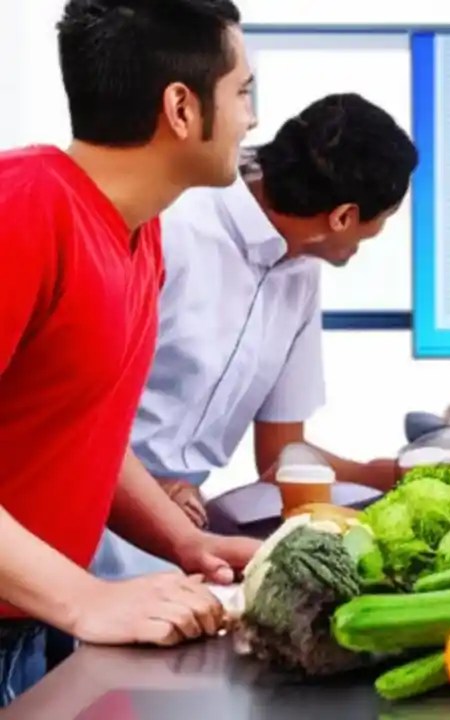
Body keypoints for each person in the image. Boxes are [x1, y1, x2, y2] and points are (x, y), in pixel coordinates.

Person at [0, 0, 258, 706]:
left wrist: (185, 543)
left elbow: (78, 428)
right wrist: (86, 599)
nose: (252, 119)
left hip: (28, 624)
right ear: (181, 107)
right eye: (243, 93)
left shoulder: (141, 238)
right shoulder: (22, 207)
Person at [90, 93, 420, 581]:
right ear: (344, 216)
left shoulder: (301, 273)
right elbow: (82, 407)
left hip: (176, 533)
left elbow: (281, 456)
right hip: (84, 507)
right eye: (383, 219)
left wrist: (397, 474)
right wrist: (154, 486)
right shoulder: (173, 227)